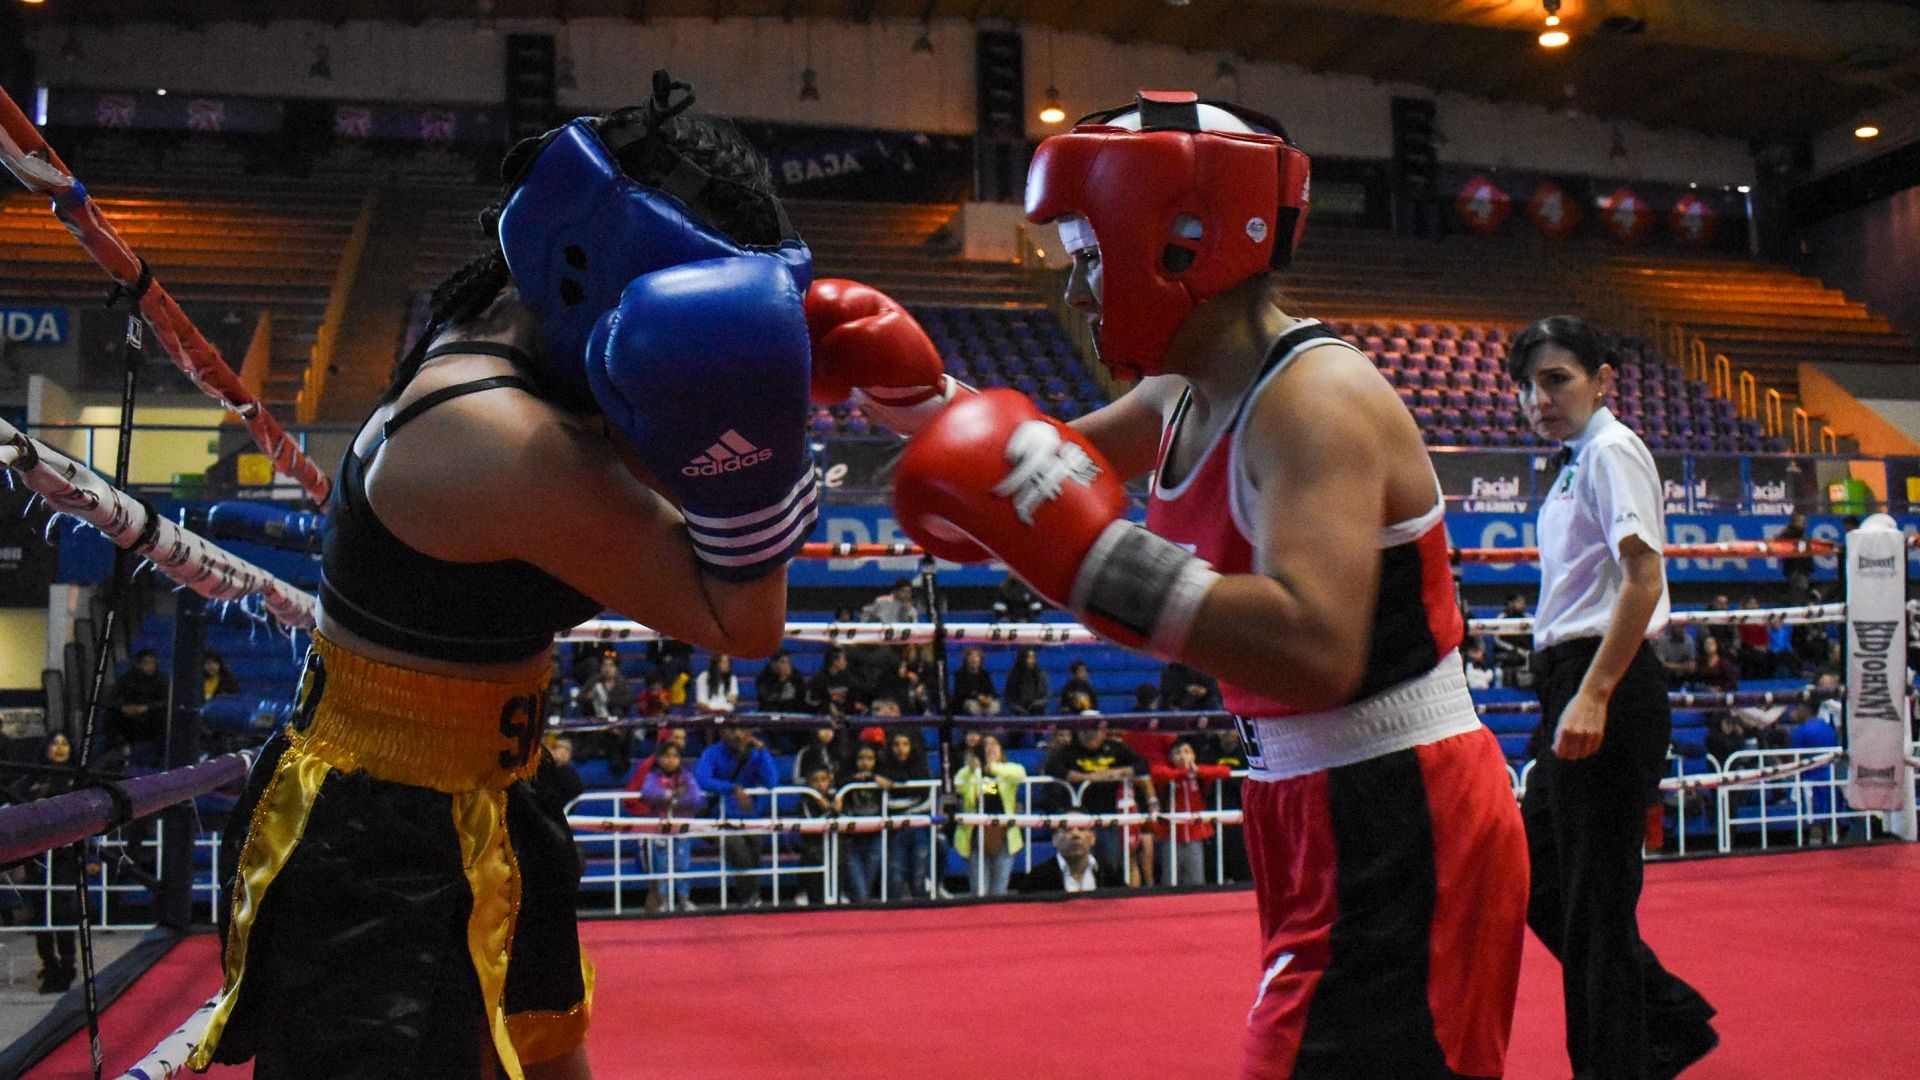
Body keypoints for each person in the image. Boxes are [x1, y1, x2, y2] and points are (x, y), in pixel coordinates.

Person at [814, 89, 1527, 1077]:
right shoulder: (1184, 388)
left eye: (1092, 258)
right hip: (1311, 796)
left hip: (1398, 800)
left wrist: (1094, 560)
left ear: (1185, 240)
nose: (1077, 293)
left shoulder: (1312, 402)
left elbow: (1314, 650)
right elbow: (1036, 474)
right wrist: (914, 398)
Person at [191, 73, 817, 1080]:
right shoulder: (505, 442)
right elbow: (743, 618)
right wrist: (769, 427)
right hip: (380, 837)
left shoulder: (513, 343)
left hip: (487, 795)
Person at [1509, 315, 1719, 1079]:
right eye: (1528, 385)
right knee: (1537, 877)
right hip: (1572, 681)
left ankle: (1616, 1064)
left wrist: (1595, 692)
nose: (1539, 397)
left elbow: (1644, 577)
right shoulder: (1574, 462)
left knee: (1595, 904)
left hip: (1606, 679)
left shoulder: (1611, 449)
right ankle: (1666, 1018)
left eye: (1557, 379)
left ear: (1604, 381)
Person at [1041, 724, 1154, 877]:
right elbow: (1053, 769)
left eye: (1095, 730)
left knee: (1108, 864)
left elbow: (1143, 766)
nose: (1091, 734)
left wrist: (1118, 772)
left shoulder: (1115, 748)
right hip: (1078, 820)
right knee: (1074, 862)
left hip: (1108, 819)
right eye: (1086, 729)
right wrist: (1087, 778)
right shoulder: (1069, 751)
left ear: (1104, 732)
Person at [692, 726, 779, 907]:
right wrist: (732, 788)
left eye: (742, 730)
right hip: (719, 819)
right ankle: (751, 898)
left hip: (749, 817)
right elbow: (701, 779)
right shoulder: (712, 753)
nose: (738, 734)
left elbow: (771, 781)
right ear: (723, 733)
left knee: (754, 850)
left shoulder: (755, 754)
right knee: (738, 849)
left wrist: (763, 752)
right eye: (732, 731)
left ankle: (751, 898)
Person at [1149, 737, 1234, 886]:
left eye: (1187, 752)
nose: (1182, 756)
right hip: (1171, 835)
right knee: (1169, 881)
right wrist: (1183, 773)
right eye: (1178, 753)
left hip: (1195, 835)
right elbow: (1156, 772)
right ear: (1171, 757)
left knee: (1196, 881)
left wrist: (1197, 771)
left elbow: (1225, 771)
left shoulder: (1199, 775)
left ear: (1193, 755)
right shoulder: (1167, 775)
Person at [633, 740, 706, 912]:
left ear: (680, 759)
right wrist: (670, 795)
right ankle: (664, 900)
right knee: (662, 864)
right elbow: (648, 792)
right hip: (661, 829)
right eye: (666, 756)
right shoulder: (654, 777)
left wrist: (674, 801)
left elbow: (695, 798)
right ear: (658, 759)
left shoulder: (687, 776)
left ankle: (684, 899)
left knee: (683, 864)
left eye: (674, 756)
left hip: (682, 828)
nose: (670, 760)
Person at [953, 734, 1028, 896]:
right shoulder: (967, 773)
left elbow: (1020, 774)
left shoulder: (1009, 770)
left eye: (994, 744)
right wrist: (974, 770)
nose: (990, 748)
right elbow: (958, 786)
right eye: (985, 745)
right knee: (979, 892)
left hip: (1003, 837)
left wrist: (992, 768)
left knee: (999, 892)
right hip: (975, 836)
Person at [875, 728, 935, 899]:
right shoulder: (883, 768)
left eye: (905, 744)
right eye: (896, 745)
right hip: (896, 827)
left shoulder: (922, 768)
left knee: (919, 874)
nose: (901, 749)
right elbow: (894, 803)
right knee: (896, 876)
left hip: (920, 826)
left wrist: (896, 786)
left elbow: (924, 793)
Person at [834, 742, 887, 903]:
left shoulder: (881, 778)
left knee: (866, 889)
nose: (865, 762)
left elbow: (898, 779)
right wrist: (852, 780)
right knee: (861, 893)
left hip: (874, 836)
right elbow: (838, 786)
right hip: (852, 839)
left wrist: (872, 778)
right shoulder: (846, 780)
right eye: (861, 758)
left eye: (870, 758)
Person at [1012, 822, 1120, 894]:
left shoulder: (1109, 874)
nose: (1075, 834)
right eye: (1068, 829)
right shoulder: (1037, 878)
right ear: (1054, 839)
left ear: (1093, 838)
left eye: (1082, 829)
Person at [107, 649, 169, 759]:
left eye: (152, 663)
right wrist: (123, 708)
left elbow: (167, 701)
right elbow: (111, 698)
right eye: (146, 663)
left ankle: (161, 759)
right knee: (111, 716)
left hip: (151, 718)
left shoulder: (162, 679)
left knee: (164, 718)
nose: (150, 666)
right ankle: (118, 752)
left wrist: (148, 708)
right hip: (130, 717)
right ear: (138, 664)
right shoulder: (127, 678)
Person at [951, 646, 1001, 716]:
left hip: (984, 702)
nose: (974, 659)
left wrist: (989, 698)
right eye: (971, 656)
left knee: (996, 706)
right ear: (966, 659)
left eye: (976, 656)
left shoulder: (984, 674)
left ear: (980, 659)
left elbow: (991, 690)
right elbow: (962, 693)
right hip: (967, 701)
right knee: (973, 707)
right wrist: (978, 697)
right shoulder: (959, 674)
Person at [1003, 648, 1052, 716]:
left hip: (1038, 712)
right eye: (1029, 658)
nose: (1032, 661)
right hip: (1018, 713)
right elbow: (1009, 698)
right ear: (1022, 659)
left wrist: (1036, 704)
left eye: (1033, 658)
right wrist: (1018, 708)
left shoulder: (1041, 674)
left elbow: (1046, 696)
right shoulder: (1013, 676)